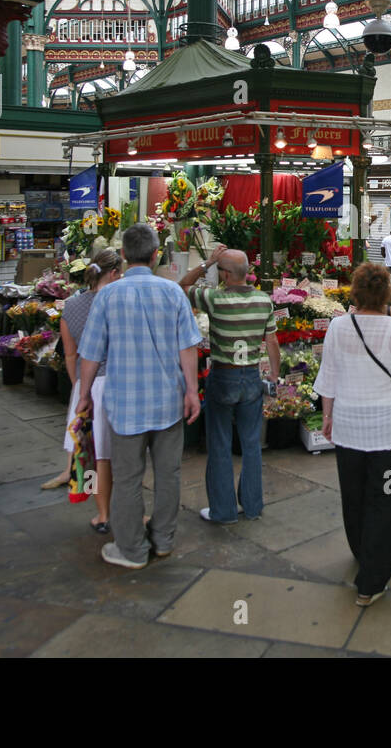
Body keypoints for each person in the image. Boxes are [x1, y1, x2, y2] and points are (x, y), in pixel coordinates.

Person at [76, 223, 202, 570]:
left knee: (128, 478)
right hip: (168, 402)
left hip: (125, 405)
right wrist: (191, 391)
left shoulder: (107, 295)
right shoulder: (173, 292)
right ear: (156, 253)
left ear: (123, 256)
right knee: (169, 475)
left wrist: (84, 395)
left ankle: (130, 549)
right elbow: (187, 347)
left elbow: (90, 354)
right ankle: (162, 541)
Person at [313, 263, 391, 607]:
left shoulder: (338, 327)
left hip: (350, 432)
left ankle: (361, 551)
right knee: (387, 499)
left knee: (354, 497)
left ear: (355, 292)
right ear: (386, 294)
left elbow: (329, 376)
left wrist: (327, 416)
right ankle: (371, 579)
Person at [179, 243, 281, 525]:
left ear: (224, 274)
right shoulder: (263, 300)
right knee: (251, 444)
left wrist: (207, 262)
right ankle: (252, 505)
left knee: (220, 443)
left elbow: (182, 286)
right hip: (250, 376)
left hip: (223, 376)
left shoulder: (214, 299)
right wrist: (274, 374)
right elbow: (271, 341)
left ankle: (223, 510)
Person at [56, 248, 124, 533]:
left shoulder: (71, 306)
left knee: (91, 453)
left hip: (86, 384)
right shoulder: (119, 302)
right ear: (114, 273)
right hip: (116, 381)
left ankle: (102, 513)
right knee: (111, 455)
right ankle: (114, 514)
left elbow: (70, 355)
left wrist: (79, 386)